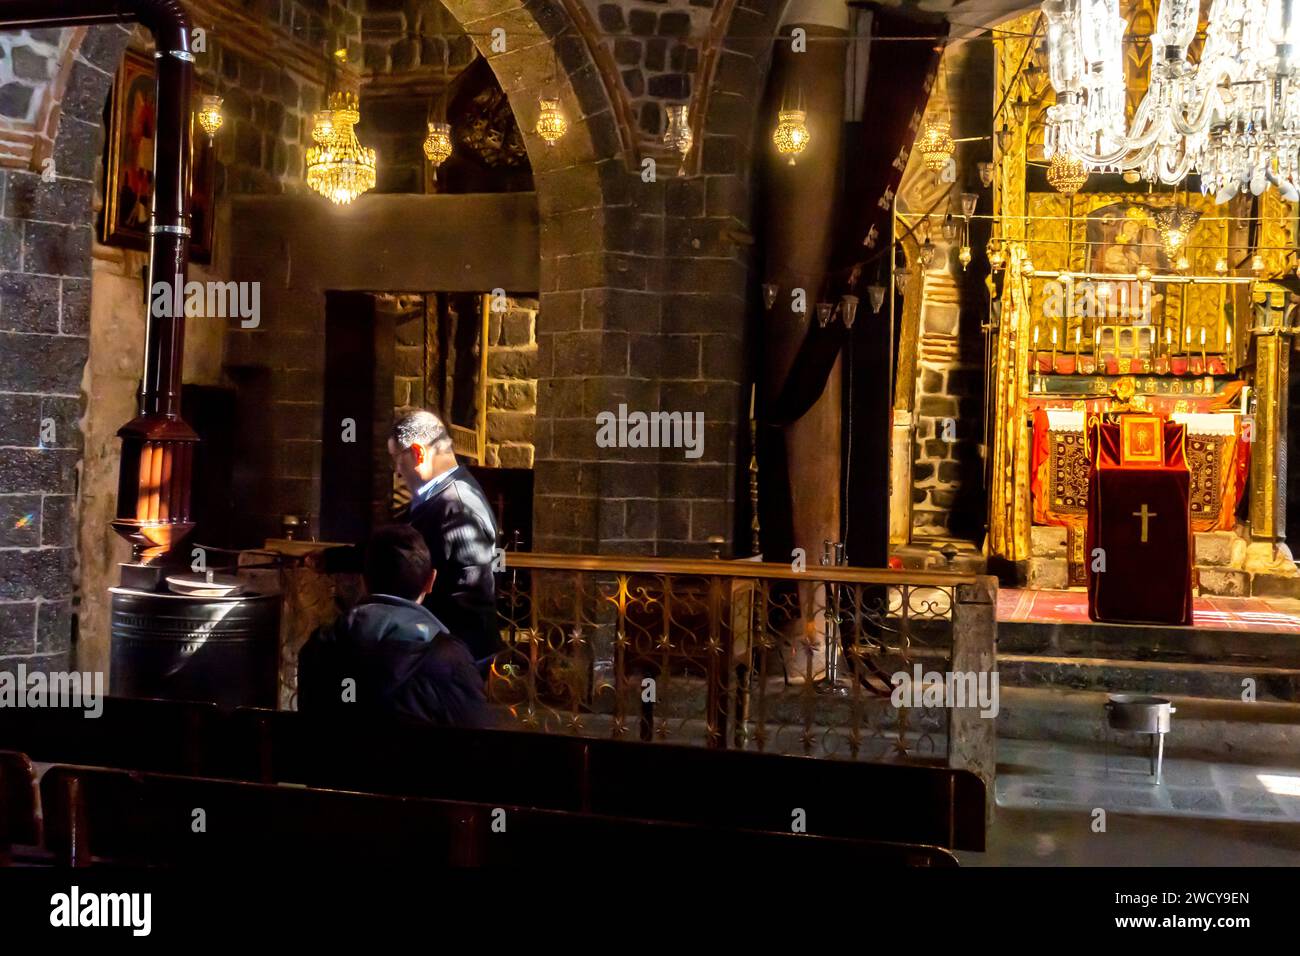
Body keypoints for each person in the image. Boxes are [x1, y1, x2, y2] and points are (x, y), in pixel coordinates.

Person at [298, 524, 489, 728]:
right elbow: (475, 743)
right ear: (430, 581)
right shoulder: (451, 659)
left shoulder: (320, 646)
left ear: (363, 580)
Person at [387, 409, 501, 665]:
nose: (397, 471)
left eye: (396, 458)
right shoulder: (444, 495)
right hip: (446, 649)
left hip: (455, 653)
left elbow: (470, 592)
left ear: (418, 453)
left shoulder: (456, 504)